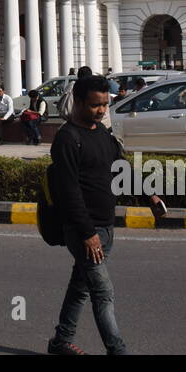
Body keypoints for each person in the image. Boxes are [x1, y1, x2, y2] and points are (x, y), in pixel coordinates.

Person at [48, 75, 156, 355]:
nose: (102, 110)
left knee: (80, 287)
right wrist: (87, 234)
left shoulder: (102, 135)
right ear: (80, 102)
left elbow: (121, 168)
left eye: (105, 104)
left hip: (106, 228)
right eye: (96, 105)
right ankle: (117, 350)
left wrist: (149, 196)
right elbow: (68, 192)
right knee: (103, 292)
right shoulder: (67, 139)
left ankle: (61, 341)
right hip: (84, 231)